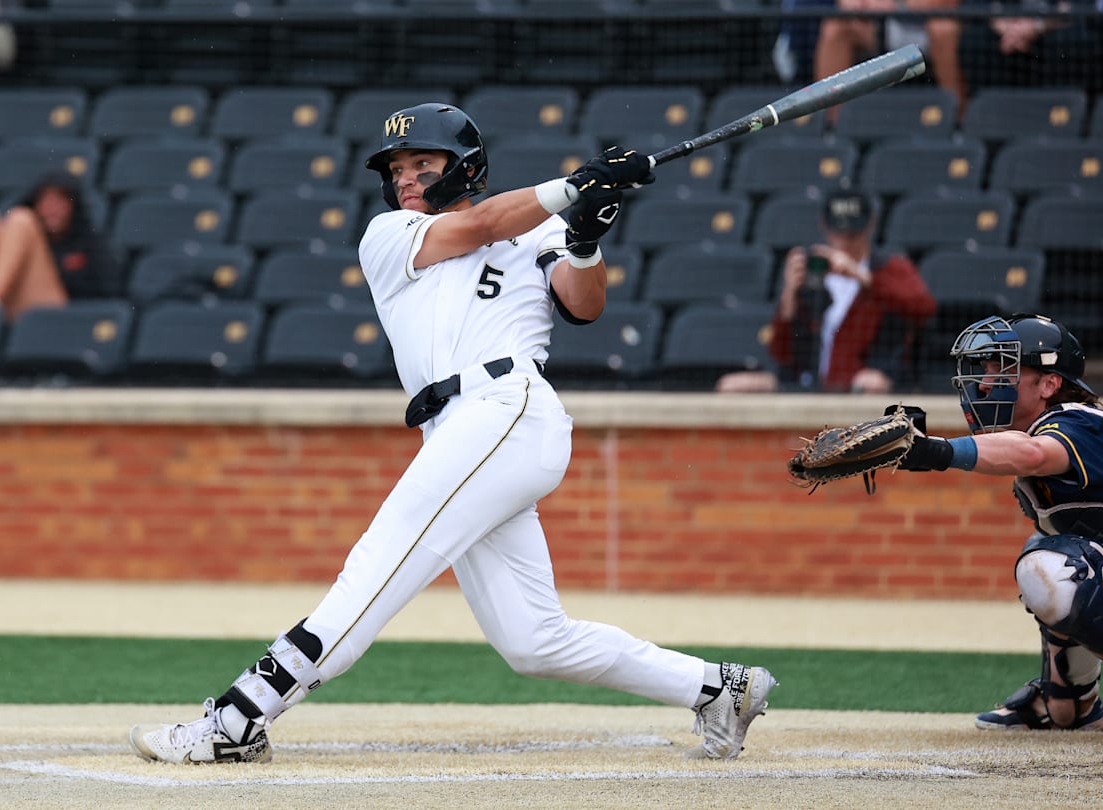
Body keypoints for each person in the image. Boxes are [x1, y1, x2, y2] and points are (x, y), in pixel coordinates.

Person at [126, 102, 779, 766]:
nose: (406, 177)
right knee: (533, 639)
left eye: (422, 163)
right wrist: (578, 186)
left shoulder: (540, 229)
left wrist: (584, 233)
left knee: (374, 571)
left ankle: (240, 718)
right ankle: (718, 689)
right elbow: (481, 225)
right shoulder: (390, 234)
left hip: (506, 410)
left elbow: (585, 302)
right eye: (398, 167)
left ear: (462, 166)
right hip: (458, 432)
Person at [896, 314, 1103, 730]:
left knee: (1051, 568)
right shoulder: (1054, 423)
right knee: (1051, 549)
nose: (986, 383)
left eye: (1003, 370)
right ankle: (1070, 700)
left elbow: (1031, 453)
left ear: (1049, 384)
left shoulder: (1079, 420)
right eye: (989, 369)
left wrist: (936, 452)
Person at [716, 188, 937, 394]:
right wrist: (789, 295)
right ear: (825, 227)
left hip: (863, 379)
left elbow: (922, 308)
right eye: (838, 233)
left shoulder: (890, 268)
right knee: (731, 386)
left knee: (871, 387)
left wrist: (862, 277)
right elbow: (780, 352)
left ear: (869, 226)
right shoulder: (813, 270)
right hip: (806, 380)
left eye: (852, 234)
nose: (844, 241)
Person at [0, 169, 121, 321]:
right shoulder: (24, 235)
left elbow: (107, 289)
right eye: (47, 200)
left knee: (20, 220)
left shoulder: (89, 242)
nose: (52, 209)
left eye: (61, 201)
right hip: (15, 308)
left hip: (58, 317)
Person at [812, 0, 968, 119]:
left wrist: (897, 5)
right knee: (836, 28)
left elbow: (947, 3)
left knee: (943, 30)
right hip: (886, 24)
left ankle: (957, 125)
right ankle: (831, 129)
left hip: (929, 24)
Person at [957, 0, 1103, 94]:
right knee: (974, 41)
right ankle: (990, 120)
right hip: (1005, 30)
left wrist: (1037, 26)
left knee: (1075, 40)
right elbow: (973, 6)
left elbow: (1081, 8)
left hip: (1052, 30)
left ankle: (1065, 116)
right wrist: (1004, 25)